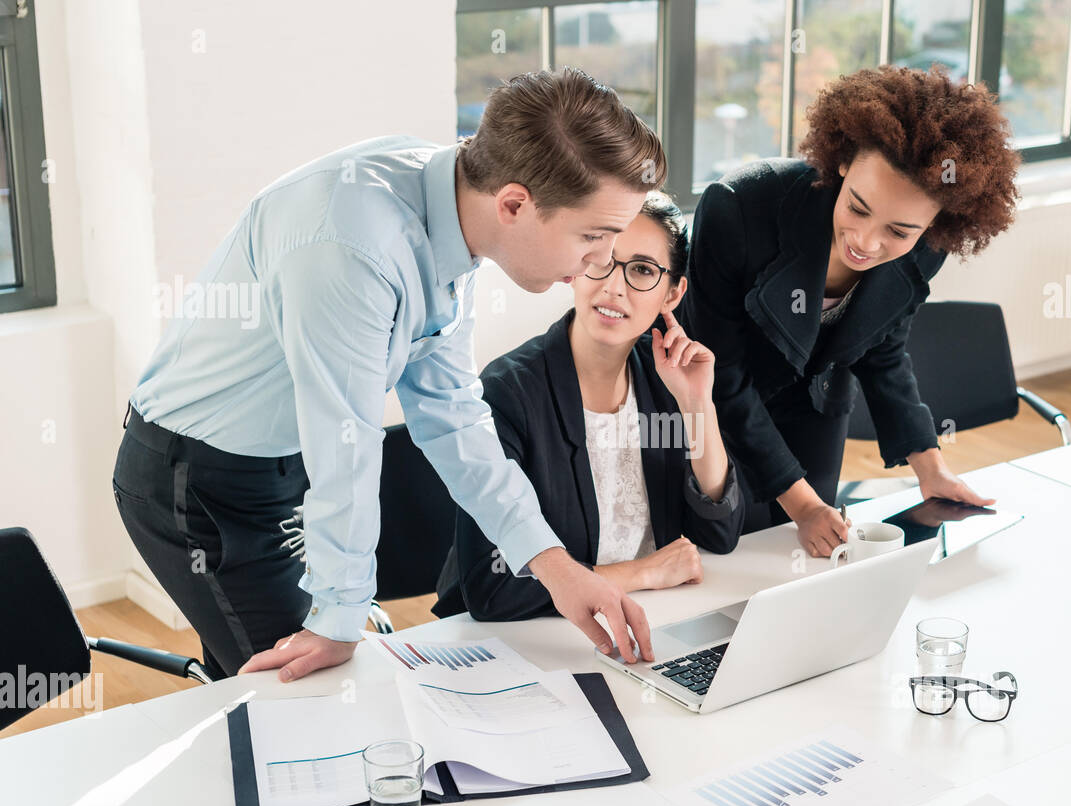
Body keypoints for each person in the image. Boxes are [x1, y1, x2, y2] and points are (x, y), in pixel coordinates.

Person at [112, 68, 663, 681]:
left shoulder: (458, 212)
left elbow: (452, 415)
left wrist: (554, 564)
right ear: (515, 203)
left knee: (267, 678)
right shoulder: (353, 244)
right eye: (595, 236)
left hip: (283, 460)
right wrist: (338, 618)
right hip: (195, 481)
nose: (601, 262)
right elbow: (344, 440)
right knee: (312, 689)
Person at [678, 65, 1021, 558]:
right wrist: (802, 504)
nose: (867, 242)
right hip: (715, 404)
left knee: (806, 563)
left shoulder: (928, 247)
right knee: (726, 552)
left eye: (899, 232)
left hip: (818, 407)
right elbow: (722, 374)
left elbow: (882, 352)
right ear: (841, 162)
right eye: (858, 208)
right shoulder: (739, 208)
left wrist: (932, 469)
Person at [434, 192, 743, 621]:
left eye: (642, 270)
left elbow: (721, 532)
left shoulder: (665, 380)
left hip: (658, 620)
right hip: (528, 643)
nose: (614, 287)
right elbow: (493, 587)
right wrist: (639, 574)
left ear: (672, 295)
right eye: (603, 261)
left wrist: (696, 405)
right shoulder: (509, 393)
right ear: (578, 266)